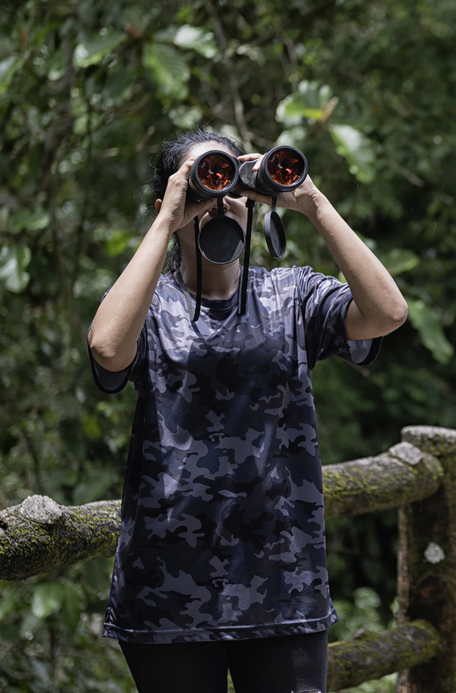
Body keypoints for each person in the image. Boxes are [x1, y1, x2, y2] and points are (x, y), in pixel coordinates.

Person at [86, 128, 407, 693]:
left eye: (229, 178)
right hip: (169, 586)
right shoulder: (149, 304)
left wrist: (311, 201)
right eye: (202, 181)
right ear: (171, 198)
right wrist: (165, 220)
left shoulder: (294, 295)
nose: (219, 195)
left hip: (283, 580)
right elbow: (108, 349)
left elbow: (386, 312)